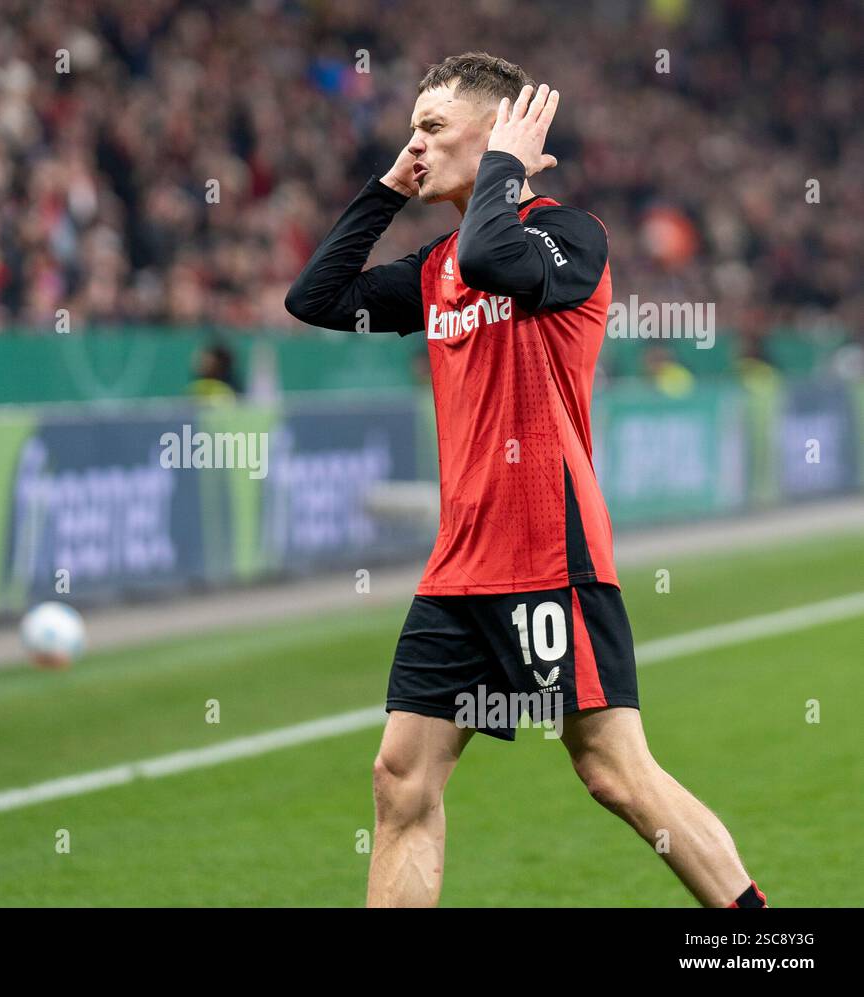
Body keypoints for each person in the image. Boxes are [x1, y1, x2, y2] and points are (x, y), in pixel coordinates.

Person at [285, 53, 766, 909]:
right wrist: (389, 186)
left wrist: (503, 169)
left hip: (551, 547)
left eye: (432, 128)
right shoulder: (435, 271)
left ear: (499, 129)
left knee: (614, 771)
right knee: (400, 780)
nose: (417, 143)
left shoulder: (568, 237)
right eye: (411, 131)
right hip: (459, 564)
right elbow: (317, 297)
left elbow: (497, 257)